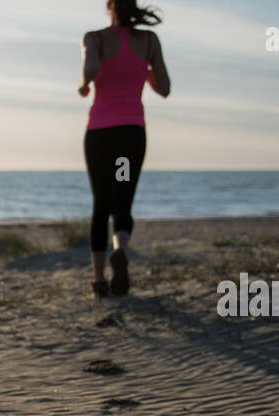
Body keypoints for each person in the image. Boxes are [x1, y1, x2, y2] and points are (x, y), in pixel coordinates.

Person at [78, 0, 171, 298]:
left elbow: (91, 68)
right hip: (131, 133)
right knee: (123, 198)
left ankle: (98, 278)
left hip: (100, 133)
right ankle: (120, 250)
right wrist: (140, 68)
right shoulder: (149, 41)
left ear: (109, 8)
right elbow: (165, 88)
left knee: (100, 203)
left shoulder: (94, 37)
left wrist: (84, 84)